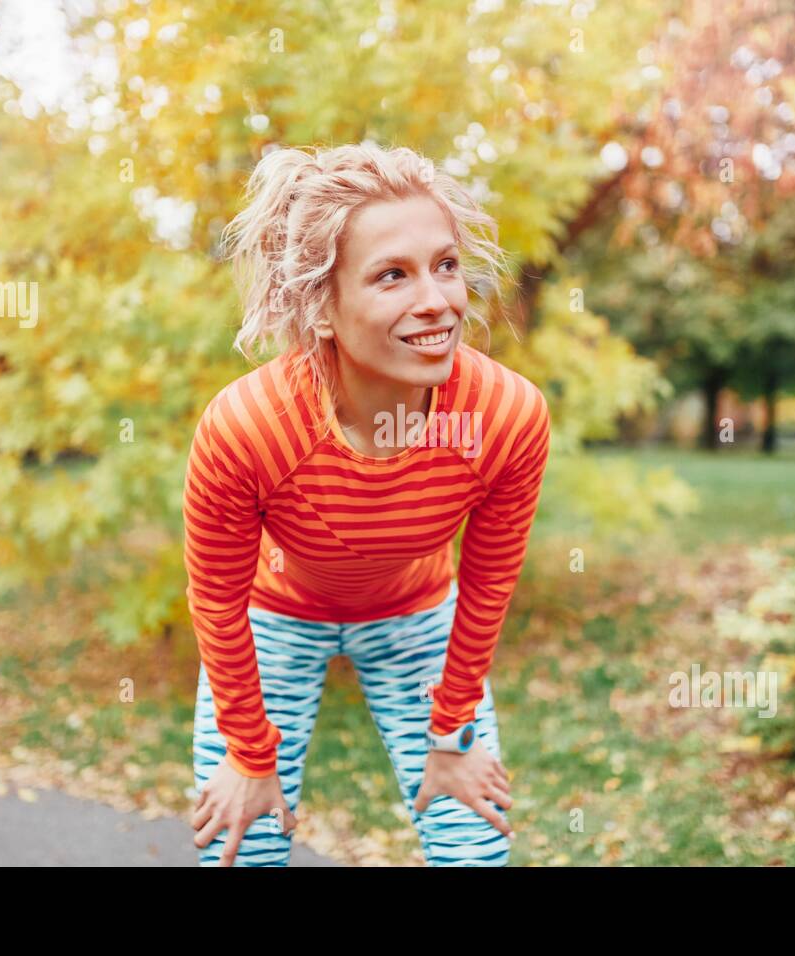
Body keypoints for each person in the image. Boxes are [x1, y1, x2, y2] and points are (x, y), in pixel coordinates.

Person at [184, 142, 551, 866]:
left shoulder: (506, 418)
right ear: (323, 307)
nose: (438, 301)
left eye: (445, 265)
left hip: (416, 617)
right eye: (392, 275)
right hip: (274, 618)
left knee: (475, 845)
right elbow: (217, 604)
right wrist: (250, 755)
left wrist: (449, 736)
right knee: (241, 846)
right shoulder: (249, 429)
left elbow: (487, 586)